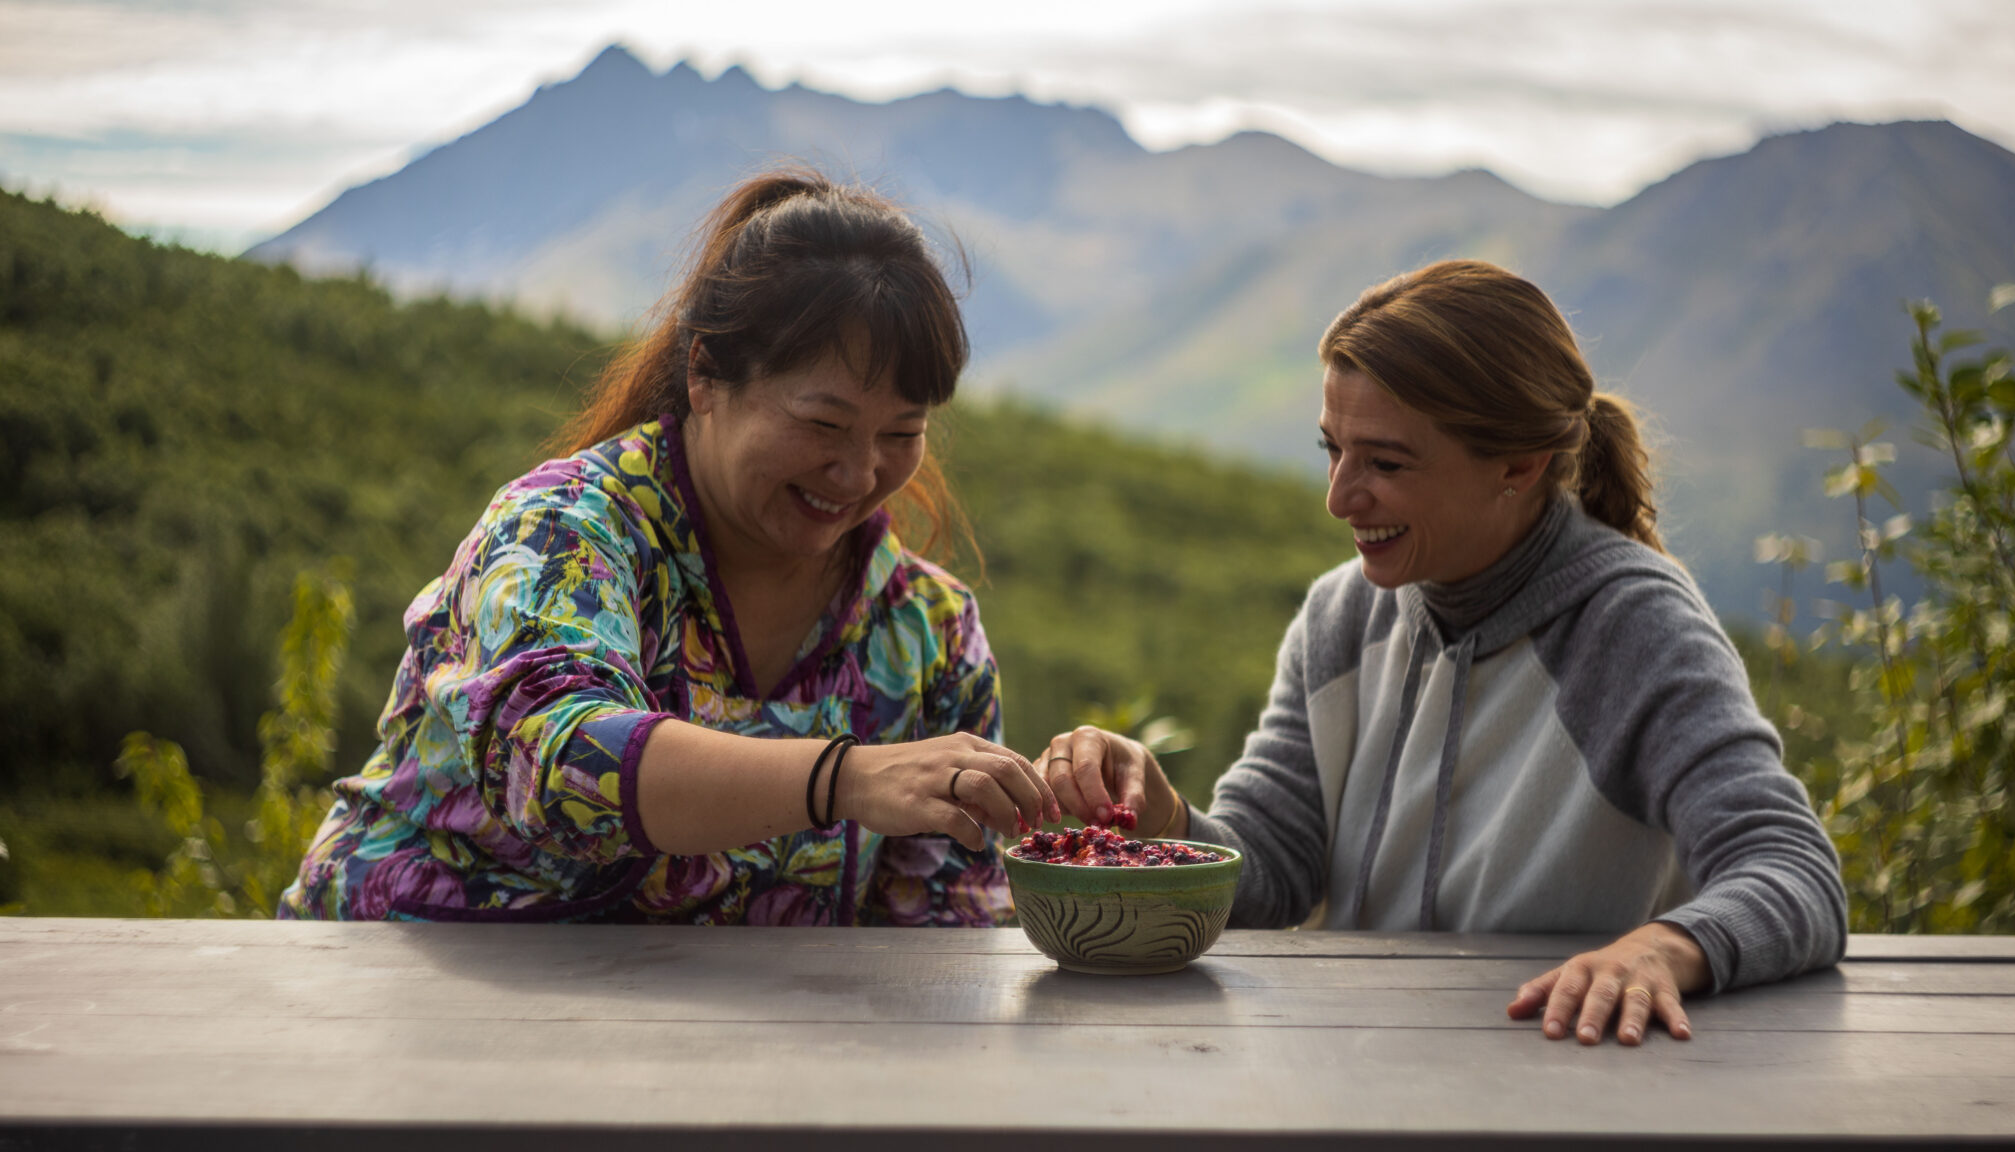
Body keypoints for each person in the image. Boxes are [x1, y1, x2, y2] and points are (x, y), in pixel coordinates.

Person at [1037, 259, 1847, 1045]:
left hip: (1567, 1079)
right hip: (1362, 1080)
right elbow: (1273, 870)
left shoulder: (1636, 631)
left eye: (1385, 463)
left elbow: (1794, 870)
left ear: (1518, 464)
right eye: (1332, 450)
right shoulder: (1341, 617)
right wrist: (1166, 819)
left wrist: (1663, 950)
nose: (1339, 498)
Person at [280, 170, 1056, 925]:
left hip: (710, 1018)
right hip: (396, 987)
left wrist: (1071, 808)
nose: (859, 473)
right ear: (704, 375)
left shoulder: (926, 630)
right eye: (823, 424)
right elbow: (563, 766)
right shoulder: (563, 533)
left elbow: (944, 920)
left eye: (901, 434)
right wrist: (842, 779)